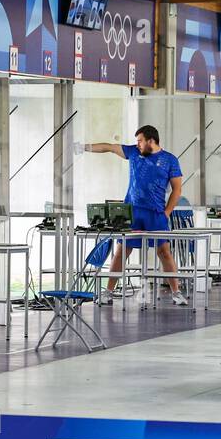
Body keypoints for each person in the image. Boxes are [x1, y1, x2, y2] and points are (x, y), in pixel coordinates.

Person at [84, 125, 188, 305]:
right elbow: (108, 147)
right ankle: (108, 292)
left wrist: (167, 213)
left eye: (140, 141)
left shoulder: (170, 160)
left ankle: (176, 292)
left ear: (151, 141)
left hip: (155, 214)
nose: (137, 144)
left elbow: (177, 190)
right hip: (131, 212)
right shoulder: (133, 152)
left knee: (164, 252)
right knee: (121, 251)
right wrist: (84, 147)